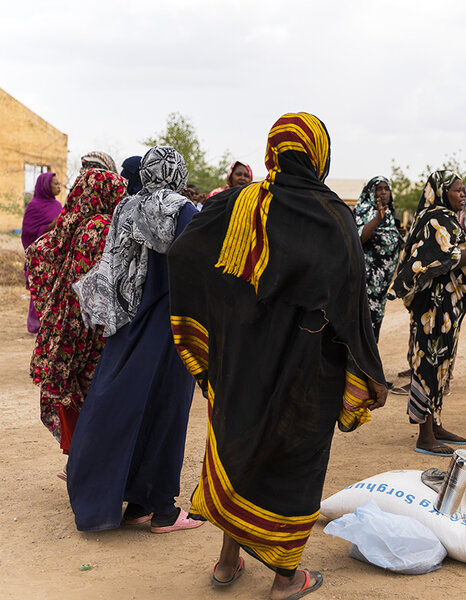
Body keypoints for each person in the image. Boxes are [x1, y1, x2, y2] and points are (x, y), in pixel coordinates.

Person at [168, 112, 388, 599]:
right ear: (319, 155)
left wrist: (221, 321)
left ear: (273, 152)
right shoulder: (333, 216)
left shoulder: (244, 204)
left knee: (238, 445)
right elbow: (353, 303)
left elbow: (185, 251)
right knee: (293, 460)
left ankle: (228, 563)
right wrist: (368, 371)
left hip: (243, 361)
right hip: (305, 368)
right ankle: (286, 580)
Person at [66, 147, 201, 533]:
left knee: (122, 406)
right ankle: (161, 509)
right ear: (176, 172)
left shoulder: (126, 208)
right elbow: (196, 268)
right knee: (167, 411)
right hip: (169, 324)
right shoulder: (183, 211)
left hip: (126, 322)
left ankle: (131, 502)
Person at [389, 170, 466, 456]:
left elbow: (462, 256)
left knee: (442, 363)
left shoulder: (448, 218)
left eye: (464, 189)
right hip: (432, 306)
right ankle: (425, 436)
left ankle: (437, 423)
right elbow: (447, 258)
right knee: (429, 363)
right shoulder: (434, 218)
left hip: (446, 306)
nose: (463, 194)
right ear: (442, 191)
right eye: (457, 190)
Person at [25, 170, 126, 461]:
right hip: (88, 330)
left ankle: (80, 463)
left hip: (70, 325)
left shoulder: (74, 222)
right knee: (93, 398)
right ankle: (86, 469)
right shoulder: (100, 228)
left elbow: (39, 252)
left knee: (80, 395)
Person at [354, 176, 402, 340]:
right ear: (370, 192)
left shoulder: (388, 213)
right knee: (363, 323)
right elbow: (358, 238)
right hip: (366, 282)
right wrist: (377, 220)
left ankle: (367, 362)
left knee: (374, 323)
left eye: (386, 189)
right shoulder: (364, 210)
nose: (383, 192)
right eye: (378, 188)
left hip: (381, 286)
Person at [21, 171, 63, 333]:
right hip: (38, 255)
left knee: (54, 290)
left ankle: (50, 323)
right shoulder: (34, 206)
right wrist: (52, 225)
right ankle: (35, 324)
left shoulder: (58, 205)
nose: (58, 186)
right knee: (38, 289)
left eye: (59, 183)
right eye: (55, 184)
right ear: (46, 186)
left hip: (54, 253)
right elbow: (28, 233)